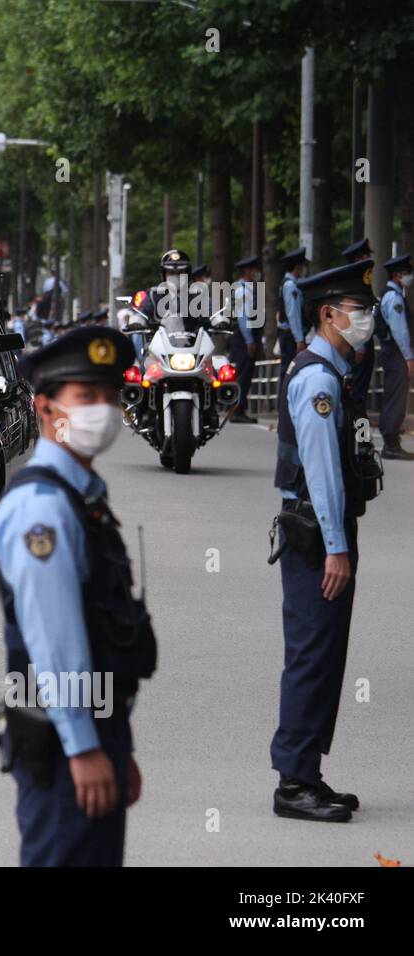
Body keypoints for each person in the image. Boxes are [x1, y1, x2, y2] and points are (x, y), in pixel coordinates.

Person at [0, 326, 157, 866]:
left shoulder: (81, 496)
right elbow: (57, 641)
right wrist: (85, 747)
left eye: (110, 397)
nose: (102, 412)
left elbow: (100, 633)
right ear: (45, 408)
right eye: (85, 398)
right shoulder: (43, 508)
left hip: (94, 727)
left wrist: (116, 746)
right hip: (66, 739)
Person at [269, 258, 383, 823]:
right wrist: (337, 547)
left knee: (324, 654)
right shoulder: (317, 379)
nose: (367, 319)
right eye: (359, 311)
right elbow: (321, 474)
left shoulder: (332, 370)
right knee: (312, 656)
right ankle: (293, 782)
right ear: (328, 314)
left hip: (322, 532)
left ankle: (308, 773)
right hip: (316, 536)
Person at [376, 253, 414, 460]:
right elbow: (400, 331)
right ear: (398, 275)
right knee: (396, 398)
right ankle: (390, 443)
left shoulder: (392, 295)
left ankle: (392, 441)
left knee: (395, 396)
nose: (410, 276)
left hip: (392, 353)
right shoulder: (394, 298)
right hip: (396, 353)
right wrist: (409, 357)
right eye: (407, 272)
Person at [341, 239, 376, 418]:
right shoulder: (355, 286)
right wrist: (359, 345)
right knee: (357, 394)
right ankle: (361, 440)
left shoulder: (358, 284)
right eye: (366, 256)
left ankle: (356, 437)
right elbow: (353, 316)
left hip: (359, 342)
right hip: (358, 343)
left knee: (357, 393)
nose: (369, 259)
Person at [229, 255, 262, 423]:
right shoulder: (243, 290)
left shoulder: (247, 289)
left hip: (244, 338)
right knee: (243, 375)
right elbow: (244, 318)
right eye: (255, 270)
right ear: (249, 271)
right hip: (243, 339)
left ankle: (239, 408)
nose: (257, 273)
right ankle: (237, 409)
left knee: (245, 374)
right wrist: (249, 340)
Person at [132, 249, 191, 336]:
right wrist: (136, 321)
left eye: (180, 273)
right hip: (160, 345)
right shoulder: (154, 295)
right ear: (164, 275)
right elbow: (143, 312)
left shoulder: (197, 295)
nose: (176, 277)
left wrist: (216, 320)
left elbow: (209, 310)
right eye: (171, 273)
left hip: (193, 344)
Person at [277, 247, 309, 388]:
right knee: (290, 372)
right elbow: (293, 314)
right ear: (297, 266)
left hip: (289, 334)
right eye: (302, 265)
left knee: (290, 371)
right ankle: (284, 407)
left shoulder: (287, 283)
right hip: (291, 335)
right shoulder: (291, 286)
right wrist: (299, 339)